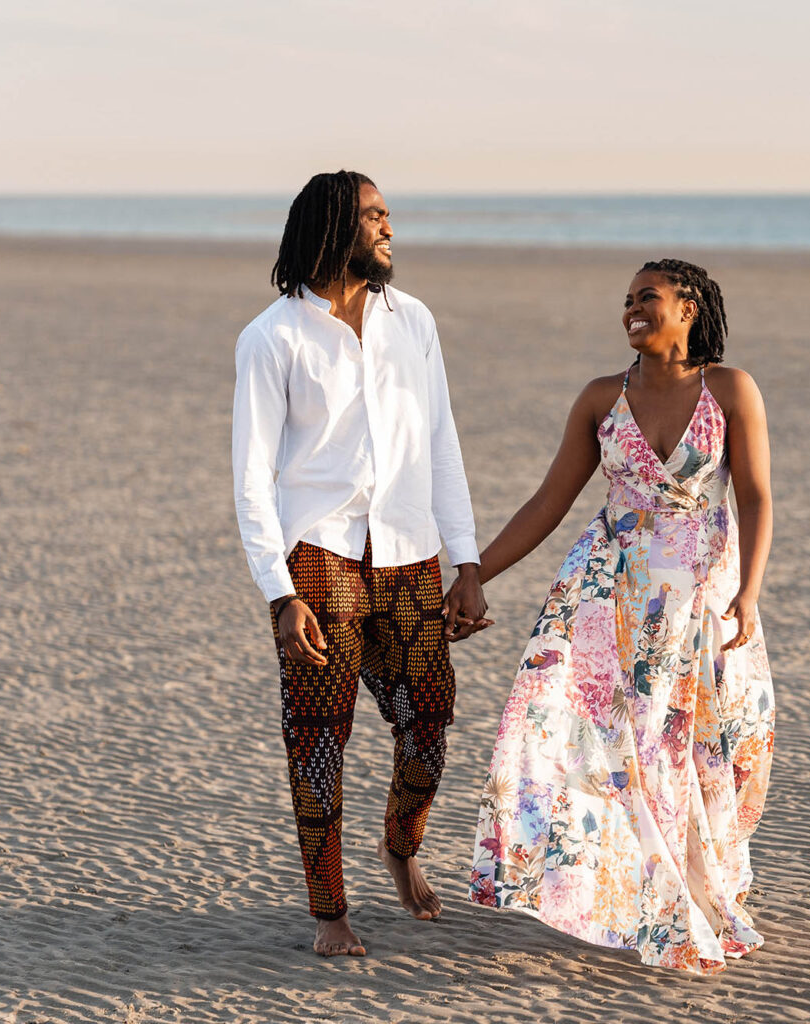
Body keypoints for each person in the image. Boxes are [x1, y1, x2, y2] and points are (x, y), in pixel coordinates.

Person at [468, 258, 776, 975]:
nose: (632, 309)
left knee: (721, 741)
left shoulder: (731, 389)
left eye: (648, 297)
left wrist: (750, 591)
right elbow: (549, 502)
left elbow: (757, 496)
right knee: (626, 745)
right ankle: (656, 899)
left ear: (689, 307)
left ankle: (702, 883)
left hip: (702, 595)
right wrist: (476, 573)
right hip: (610, 596)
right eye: (627, 300)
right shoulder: (601, 398)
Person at [232, 170, 490, 957]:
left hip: (410, 554)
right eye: (374, 216)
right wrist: (279, 593)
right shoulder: (272, 336)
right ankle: (329, 913)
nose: (389, 228)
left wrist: (467, 562)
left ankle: (400, 847)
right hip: (319, 558)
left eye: (386, 215)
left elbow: (441, 442)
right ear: (335, 226)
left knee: (430, 722)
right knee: (317, 738)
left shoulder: (413, 320)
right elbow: (251, 477)